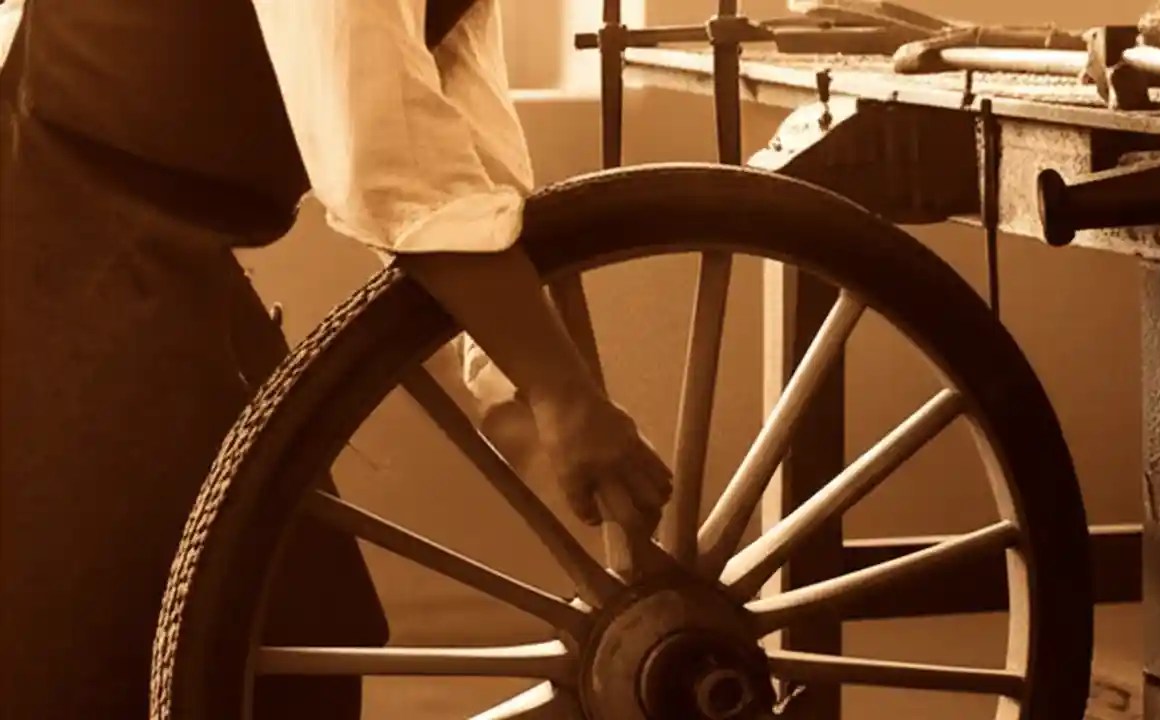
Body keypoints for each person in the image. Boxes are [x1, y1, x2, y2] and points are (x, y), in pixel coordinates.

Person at [0, 0, 672, 718]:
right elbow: (385, 148)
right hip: (53, 247)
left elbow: (465, 141)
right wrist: (558, 392)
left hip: (147, 247)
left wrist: (531, 388)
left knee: (292, 610)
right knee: (110, 633)